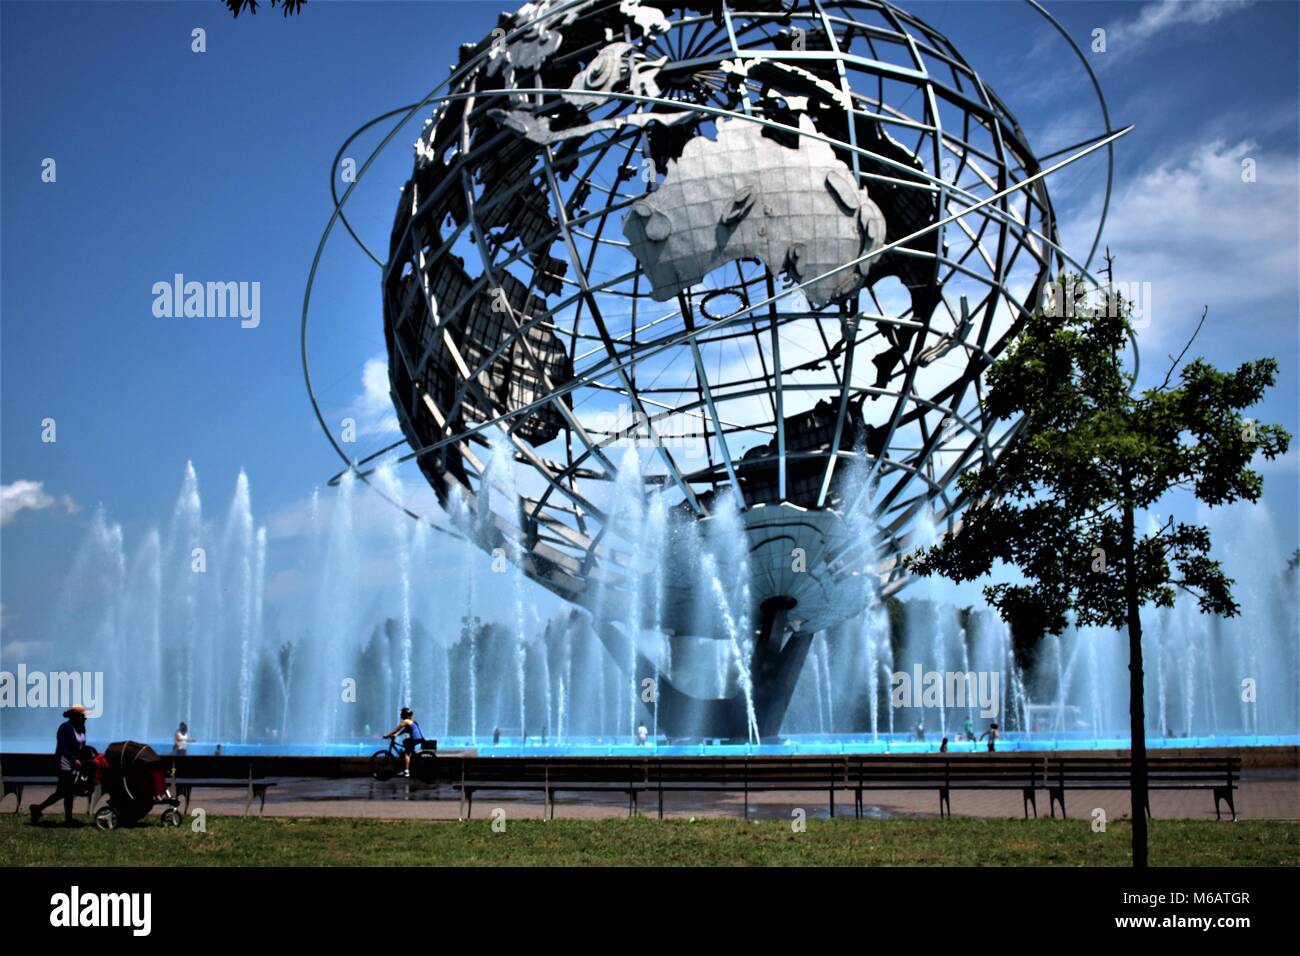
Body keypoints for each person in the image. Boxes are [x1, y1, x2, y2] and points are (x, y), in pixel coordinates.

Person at [30, 706, 90, 825]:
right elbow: (63, 748)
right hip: (64, 763)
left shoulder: (82, 728)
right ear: (75, 717)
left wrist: (83, 758)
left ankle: (40, 809)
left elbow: (82, 746)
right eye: (82, 716)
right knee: (64, 792)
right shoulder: (65, 728)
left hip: (75, 764)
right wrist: (73, 760)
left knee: (66, 792)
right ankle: (39, 809)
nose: (85, 719)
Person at [383, 707, 424, 777]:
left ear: (405, 715)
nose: (401, 715)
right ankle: (408, 764)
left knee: (406, 753)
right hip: (419, 738)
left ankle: (406, 771)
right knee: (405, 742)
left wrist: (387, 735)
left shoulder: (406, 721)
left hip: (415, 739)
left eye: (402, 714)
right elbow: (404, 730)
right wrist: (396, 735)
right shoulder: (412, 721)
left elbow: (396, 729)